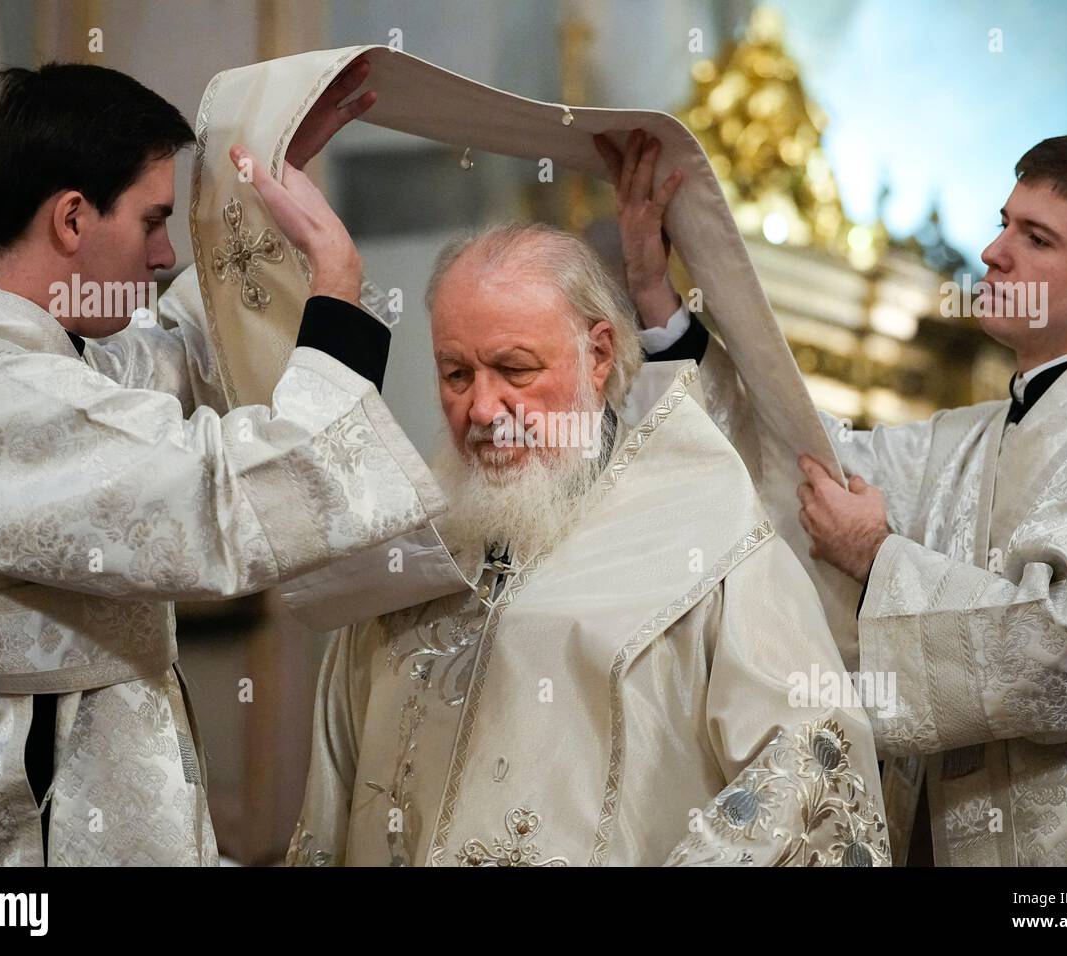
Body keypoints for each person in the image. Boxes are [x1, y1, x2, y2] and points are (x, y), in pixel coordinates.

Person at [0, 59, 450, 865]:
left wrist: (260, 190)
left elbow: (181, 352)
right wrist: (337, 296)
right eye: (153, 221)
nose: (163, 257)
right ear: (73, 219)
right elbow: (224, 489)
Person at [606, 128, 1067, 866]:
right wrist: (658, 299)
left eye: (1036, 237)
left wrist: (877, 557)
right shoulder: (964, 439)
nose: (993, 252)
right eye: (1003, 222)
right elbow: (795, 463)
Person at [287, 222, 887, 867]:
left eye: (514, 369)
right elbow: (333, 803)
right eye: (456, 374)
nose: (483, 408)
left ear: (598, 355)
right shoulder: (408, 565)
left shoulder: (711, 545)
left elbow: (813, 772)